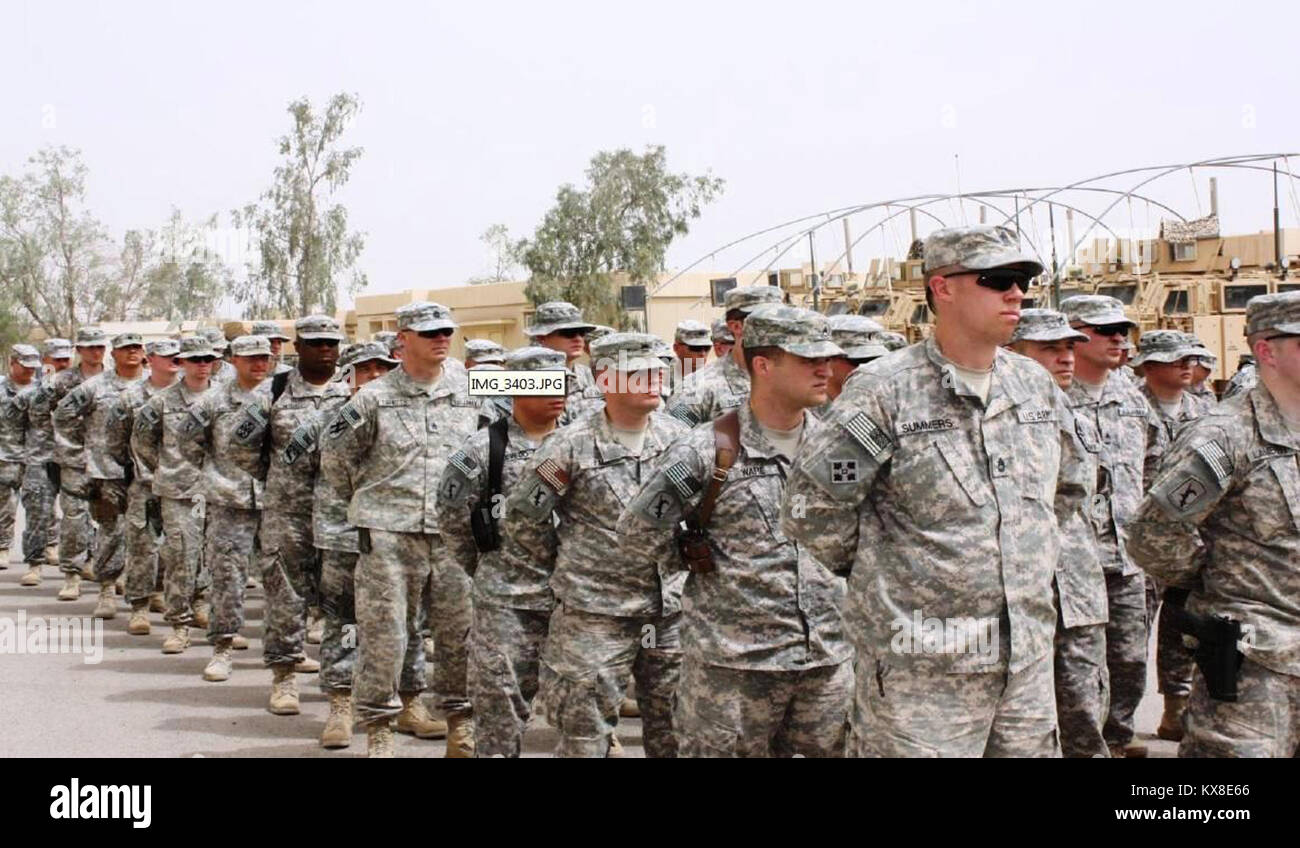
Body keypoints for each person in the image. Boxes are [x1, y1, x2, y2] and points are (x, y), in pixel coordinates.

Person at [782, 224, 1092, 757]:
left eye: (1021, 280)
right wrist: (893, 574)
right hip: (920, 675)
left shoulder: (1033, 385)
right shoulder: (886, 393)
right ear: (942, 288)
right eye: (997, 279)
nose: (1016, 293)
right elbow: (813, 508)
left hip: (1025, 665)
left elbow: (1067, 491)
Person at [621, 305, 853, 757]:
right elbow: (637, 531)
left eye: (828, 358)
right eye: (809, 360)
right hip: (733, 672)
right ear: (764, 365)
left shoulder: (840, 446)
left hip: (826, 664)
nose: (825, 369)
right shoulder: (707, 450)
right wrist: (698, 561)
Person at [1127, 290, 1300, 758]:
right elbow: (1152, 535)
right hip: (1254, 669)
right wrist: (1217, 576)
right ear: (1267, 351)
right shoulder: (1224, 437)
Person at [503, 332, 689, 757]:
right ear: (605, 380)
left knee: (677, 729)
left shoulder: (682, 441)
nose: (653, 380)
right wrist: (574, 567)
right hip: (594, 615)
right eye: (638, 373)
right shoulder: (569, 446)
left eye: (657, 371)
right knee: (585, 733)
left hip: (670, 612)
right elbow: (524, 520)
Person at [320, 301, 480, 758]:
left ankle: (461, 723)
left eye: (446, 330)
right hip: (389, 533)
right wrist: (376, 497)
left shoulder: (477, 387)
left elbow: (543, 394)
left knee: (460, 632)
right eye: (429, 332)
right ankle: (379, 727)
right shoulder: (371, 397)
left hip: (454, 534)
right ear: (401, 340)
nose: (441, 338)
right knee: (385, 633)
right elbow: (334, 461)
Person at [438, 346, 568, 757]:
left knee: (581, 706)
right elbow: (451, 516)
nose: (556, 391)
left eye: (560, 381)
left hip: (575, 598)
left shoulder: (584, 442)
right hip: (506, 600)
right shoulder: (481, 449)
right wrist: (486, 567)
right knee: (498, 708)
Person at [1061, 295, 1168, 758]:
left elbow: (1153, 463)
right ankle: (1082, 749)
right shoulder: (1052, 397)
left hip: (1126, 556)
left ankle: (1118, 739)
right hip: (1073, 557)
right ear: (1074, 334)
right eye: (1105, 330)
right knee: (1077, 669)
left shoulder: (1131, 396)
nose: (1118, 338)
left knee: (1128, 660)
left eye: (1122, 329)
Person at [286, 342, 401, 747]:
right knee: (344, 621)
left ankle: (407, 702)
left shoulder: (405, 415)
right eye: (365, 369)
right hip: (340, 535)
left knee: (403, 625)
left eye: (382, 369)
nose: (374, 376)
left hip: (394, 536)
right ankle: (341, 703)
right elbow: (293, 469)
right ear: (348, 375)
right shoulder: (327, 417)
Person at [1008, 309, 1110, 757]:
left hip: (1078, 588)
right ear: (1012, 353)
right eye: (1049, 348)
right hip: (1019, 594)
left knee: (1085, 715)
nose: (1066, 357)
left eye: (1069, 346)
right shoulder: (995, 421)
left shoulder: (1078, 417)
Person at [259, 316, 350, 715]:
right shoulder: (272, 391)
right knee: (285, 594)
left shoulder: (356, 393)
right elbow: (244, 452)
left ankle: (341, 687)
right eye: (315, 343)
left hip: (339, 513)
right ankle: (285, 676)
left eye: (332, 342)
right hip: (288, 513)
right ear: (299, 346)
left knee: (341, 600)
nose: (325, 349)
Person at [181, 335, 274, 682]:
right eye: (250, 358)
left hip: (276, 500)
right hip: (228, 500)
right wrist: (212, 475)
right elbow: (186, 441)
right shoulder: (213, 400)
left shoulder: (282, 397)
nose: (258, 364)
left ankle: (284, 652)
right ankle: (222, 648)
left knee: (282, 578)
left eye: (264, 357)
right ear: (233, 359)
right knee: (227, 576)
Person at [132, 336, 218, 653]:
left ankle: (206, 606)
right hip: (179, 491)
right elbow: (141, 442)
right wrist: (165, 470)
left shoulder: (227, 398)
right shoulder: (162, 402)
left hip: (219, 492)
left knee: (217, 556)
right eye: (195, 359)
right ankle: (179, 624)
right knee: (181, 555)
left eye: (207, 358)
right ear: (181, 362)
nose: (202, 365)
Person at [56, 333, 150, 619]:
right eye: (125, 349)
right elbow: (63, 416)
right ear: (115, 353)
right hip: (108, 472)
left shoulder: (156, 385)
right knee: (111, 532)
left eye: (136, 348)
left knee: (147, 536)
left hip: (147, 473)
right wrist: (79, 453)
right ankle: (107, 590)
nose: (132, 352)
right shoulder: (95, 387)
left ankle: (145, 597)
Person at [103, 339, 180, 634]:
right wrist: (134, 466)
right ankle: (139, 607)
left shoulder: (196, 394)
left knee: (182, 547)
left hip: (184, 486)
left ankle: (169, 595)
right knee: (142, 545)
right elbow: (113, 439)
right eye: (168, 355)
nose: (175, 359)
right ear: (151, 359)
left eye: (178, 356)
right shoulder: (132, 397)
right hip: (145, 483)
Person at [48, 326, 111, 600]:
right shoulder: (63, 381)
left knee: (110, 522)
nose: (96, 351)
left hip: (109, 462)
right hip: (73, 460)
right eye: (90, 347)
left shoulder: (114, 379)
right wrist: (57, 447)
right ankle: (71, 575)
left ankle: (107, 577)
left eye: (100, 347)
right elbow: (43, 414)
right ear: (79, 350)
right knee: (74, 518)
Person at [666, 285, 783, 425]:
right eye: (766, 321)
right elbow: (674, 442)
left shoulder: (796, 382)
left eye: (781, 319)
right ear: (736, 326)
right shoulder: (694, 391)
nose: (778, 328)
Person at [0, 345, 44, 571]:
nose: (30, 371)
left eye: (33, 367)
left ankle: (35, 559)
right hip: (5, 456)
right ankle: (2, 547)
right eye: (25, 366)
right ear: (13, 362)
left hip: (36, 458)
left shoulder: (43, 390)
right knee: (4, 507)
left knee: (37, 509)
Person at [816, 315, 887, 417]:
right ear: (827, 359)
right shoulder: (803, 410)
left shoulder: (883, 404)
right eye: (860, 361)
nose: (870, 368)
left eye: (876, 361)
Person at [667, 320, 712, 397]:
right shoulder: (661, 380)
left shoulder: (714, 378)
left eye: (707, 348)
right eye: (696, 348)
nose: (703, 354)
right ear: (676, 348)